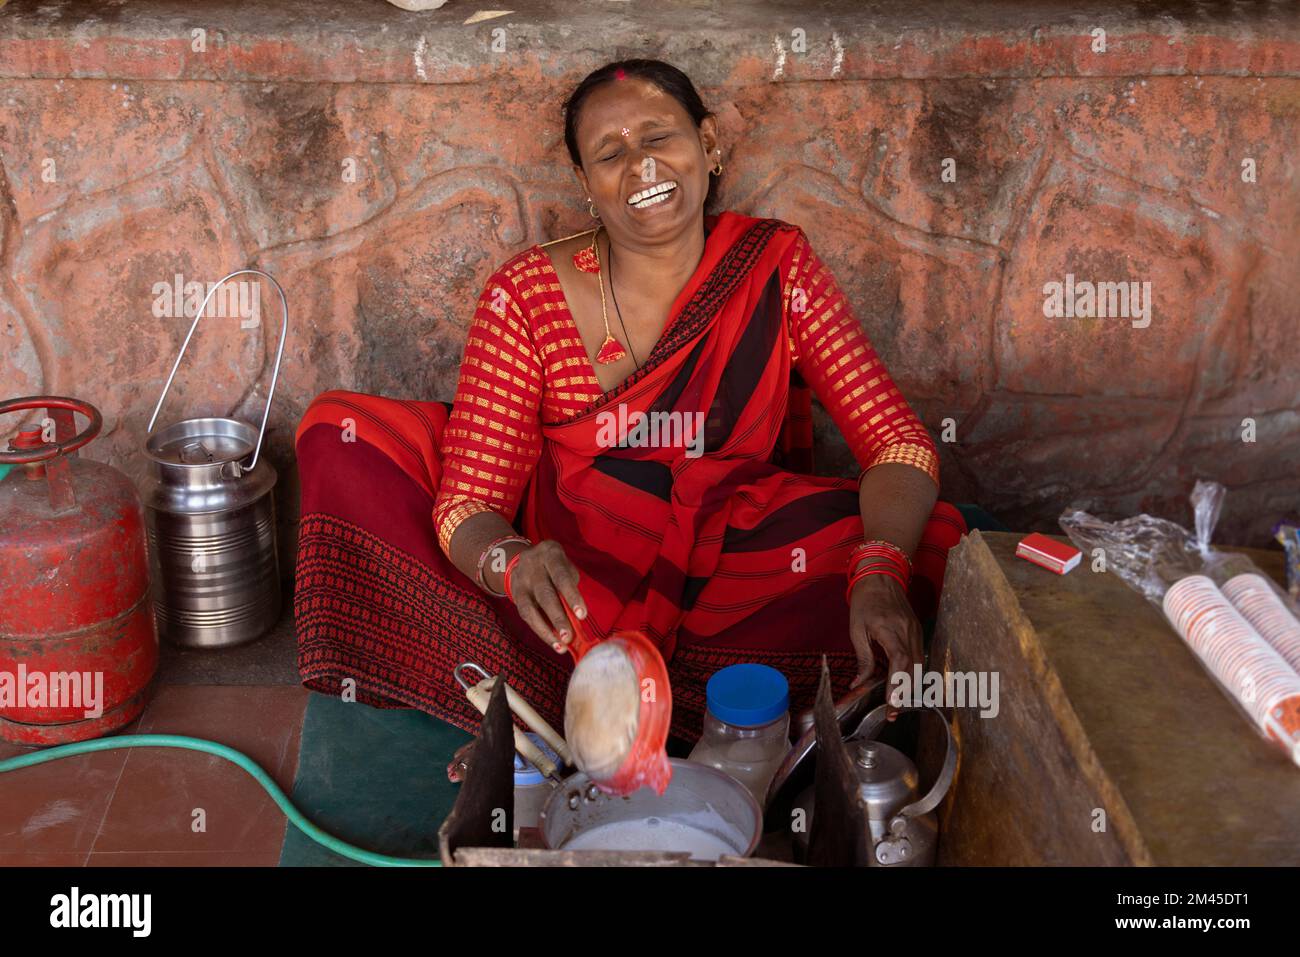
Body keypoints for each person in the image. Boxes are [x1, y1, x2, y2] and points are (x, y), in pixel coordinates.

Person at [294, 58, 967, 744]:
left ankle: (608, 707)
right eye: (610, 154)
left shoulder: (775, 264)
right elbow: (468, 505)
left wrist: (879, 570)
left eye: (658, 137)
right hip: (571, 581)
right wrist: (512, 561)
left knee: (929, 540)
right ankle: (674, 700)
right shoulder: (527, 295)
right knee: (340, 436)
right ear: (587, 185)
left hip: (725, 561)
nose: (641, 166)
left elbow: (897, 444)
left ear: (708, 144)